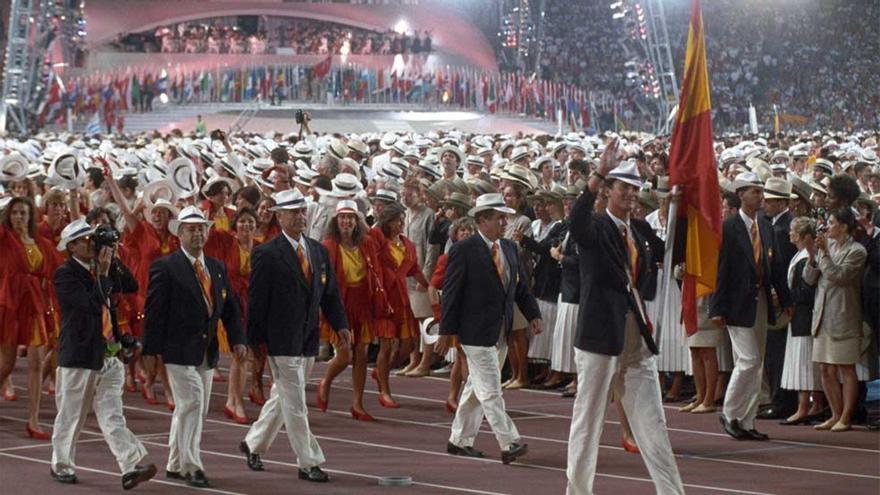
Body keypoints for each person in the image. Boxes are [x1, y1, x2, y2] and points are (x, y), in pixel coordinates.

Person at [564, 142, 683, 495]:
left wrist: (678, 204)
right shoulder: (596, 227)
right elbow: (577, 220)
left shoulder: (641, 232)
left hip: (635, 338)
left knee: (653, 423)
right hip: (601, 336)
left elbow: (668, 252)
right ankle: (577, 491)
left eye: (635, 188)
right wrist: (598, 171)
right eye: (623, 187)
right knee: (589, 420)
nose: (631, 194)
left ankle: (672, 491)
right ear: (607, 190)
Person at [240, 189, 350, 483]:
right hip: (280, 340)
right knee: (296, 402)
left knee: (284, 398)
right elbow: (257, 301)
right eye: (293, 212)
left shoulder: (317, 251)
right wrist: (253, 343)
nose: (301, 216)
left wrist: (340, 325)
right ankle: (308, 461)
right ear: (279, 215)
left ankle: (253, 443)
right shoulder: (266, 253)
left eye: (303, 210)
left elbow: (330, 294)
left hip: (308, 338)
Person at [142, 206, 247, 488]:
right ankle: (192, 465)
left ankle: (176, 463)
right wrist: (149, 353)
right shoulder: (165, 267)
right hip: (177, 349)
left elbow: (230, 309)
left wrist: (238, 339)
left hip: (206, 350)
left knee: (191, 409)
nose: (198, 233)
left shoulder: (217, 267)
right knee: (192, 402)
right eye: (191, 229)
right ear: (179, 234)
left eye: (202, 228)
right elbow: (154, 312)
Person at [435, 192, 542, 465]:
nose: (505, 222)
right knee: (491, 389)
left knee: (476, 389)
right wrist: (446, 332)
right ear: (482, 220)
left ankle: (459, 440)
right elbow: (451, 292)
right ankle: (509, 442)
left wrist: (533, 314)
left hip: (500, 331)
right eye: (499, 217)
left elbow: (518, 287)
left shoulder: (508, 248)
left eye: (505, 217)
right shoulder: (463, 249)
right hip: (474, 333)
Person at [50, 219, 157, 489]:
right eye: (85, 240)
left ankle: (130, 465)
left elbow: (130, 285)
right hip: (79, 355)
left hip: (109, 354)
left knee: (112, 415)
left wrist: (113, 256)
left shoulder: (102, 266)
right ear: (71, 246)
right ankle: (61, 464)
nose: (92, 243)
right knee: (71, 415)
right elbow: (89, 303)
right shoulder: (65, 274)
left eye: (93, 238)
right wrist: (104, 272)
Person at [712, 172, 792, 441]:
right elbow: (721, 271)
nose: (760, 196)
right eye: (755, 191)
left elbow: (776, 268)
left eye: (761, 191)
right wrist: (717, 308)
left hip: (760, 301)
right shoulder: (729, 227)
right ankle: (729, 411)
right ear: (741, 194)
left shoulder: (766, 227)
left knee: (756, 365)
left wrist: (786, 301)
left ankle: (746, 420)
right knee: (749, 359)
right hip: (736, 304)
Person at [317, 200, 386, 421]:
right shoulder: (328, 245)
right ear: (336, 221)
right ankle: (326, 380)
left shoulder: (366, 243)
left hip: (362, 302)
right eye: (342, 218)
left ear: (357, 221)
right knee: (344, 355)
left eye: (351, 218)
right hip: (340, 304)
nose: (346, 222)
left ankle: (357, 403)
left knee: (361, 355)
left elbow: (377, 272)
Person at [0, 196, 60, 440]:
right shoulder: (3, 239)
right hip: (11, 305)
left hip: (36, 305)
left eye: (24, 213)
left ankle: (33, 420)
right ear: (8, 215)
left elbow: (55, 271)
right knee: (7, 363)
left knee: (36, 363)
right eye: (15, 213)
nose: (19, 218)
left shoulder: (42, 243)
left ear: (31, 216)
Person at [804, 207, 867, 432]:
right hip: (822, 315)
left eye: (831, 223)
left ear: (843, 226)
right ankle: (834, 413)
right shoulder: (825, 247)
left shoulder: (857, 251)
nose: (827, 227)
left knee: (846, 368)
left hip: (844, 316)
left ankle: (846, 417)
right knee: (825, 368)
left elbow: (838, 277)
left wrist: (824, 255)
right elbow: (809, 279)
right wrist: (812, 255)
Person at [370, 202, 430, 408]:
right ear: (387, 222)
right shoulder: (377, 239)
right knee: (386, 345)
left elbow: (415, 270)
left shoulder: (407, 244)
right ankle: (384, 391)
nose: (401, 223)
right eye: (397, 220)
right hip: (384, 298)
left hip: (402, 299)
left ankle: (382, 371)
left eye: (402, 220)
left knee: (410, 344)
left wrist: (430, 288)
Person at [780, 216, 826, 425]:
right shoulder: (800, 256)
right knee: (806, 362)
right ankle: (815, 404)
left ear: (800, 235)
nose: (790, 234)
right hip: (800, 317)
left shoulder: (806, 258)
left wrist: (786, 297)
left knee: (804, 363)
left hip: (804, 317)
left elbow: (806, 292)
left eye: (793, 231)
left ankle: (804, 407)